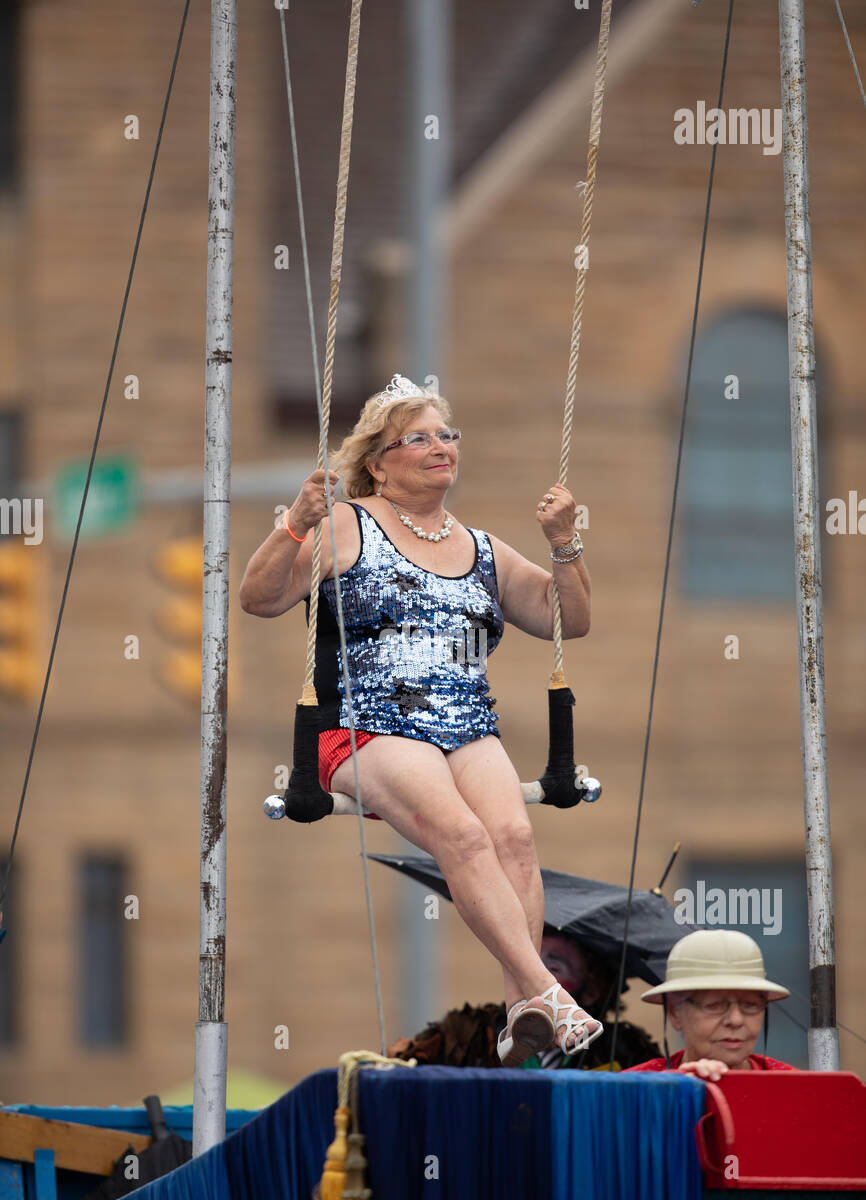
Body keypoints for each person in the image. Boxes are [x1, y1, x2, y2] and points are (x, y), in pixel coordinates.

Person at [239, 373, 601, 1065]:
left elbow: (570, 621)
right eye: (420, 437)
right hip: (369, 724)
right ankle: (544, 993)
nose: (440, 447)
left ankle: (523, 1003)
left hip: (466, 723)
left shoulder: (484, 549)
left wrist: (563, 545)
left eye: (447, 435)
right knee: (463, 836)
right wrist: (296, 523)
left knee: (514, 840)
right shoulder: (349, 524)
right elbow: (259, 598)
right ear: (378, 461)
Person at [387, 929, 661, 1070]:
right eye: (530, 966)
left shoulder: (629, 1053)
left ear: (592, 990)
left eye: (553, 969)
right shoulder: (464, 1033)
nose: (534, 981)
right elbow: (398, 1074)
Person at [623, 929, 796, 1079]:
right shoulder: (633, 1093)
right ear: (674, 1013)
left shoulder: (796, 1089)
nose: (735, 1020)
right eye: (715, 1006)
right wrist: (666, 1096)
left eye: (750, 1005)